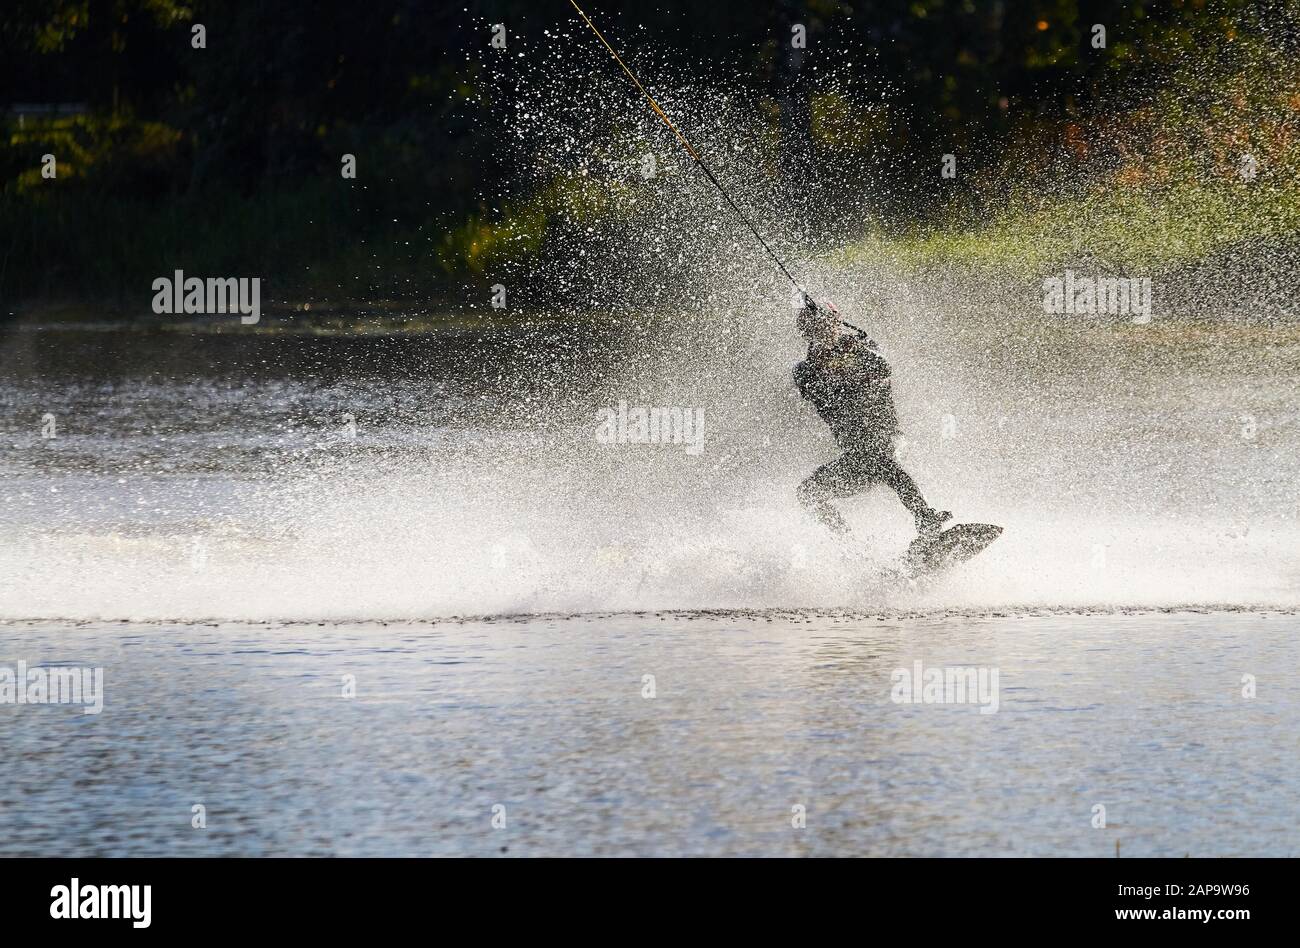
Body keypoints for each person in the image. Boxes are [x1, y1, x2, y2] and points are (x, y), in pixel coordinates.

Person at [792, 294, 951, 542]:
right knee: (808, 493)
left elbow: (883, 368)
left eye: (827, 326)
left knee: (876, 456)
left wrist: (855, 350)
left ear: (837, 324)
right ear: (806, 333)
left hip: (887, 441)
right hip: (856, 461)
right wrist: (828, 364)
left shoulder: (863, 350)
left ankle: (925, 517)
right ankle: (853, 551)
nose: (823, 334)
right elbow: (821, 393)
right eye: (814, 330)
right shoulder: (805, 370)